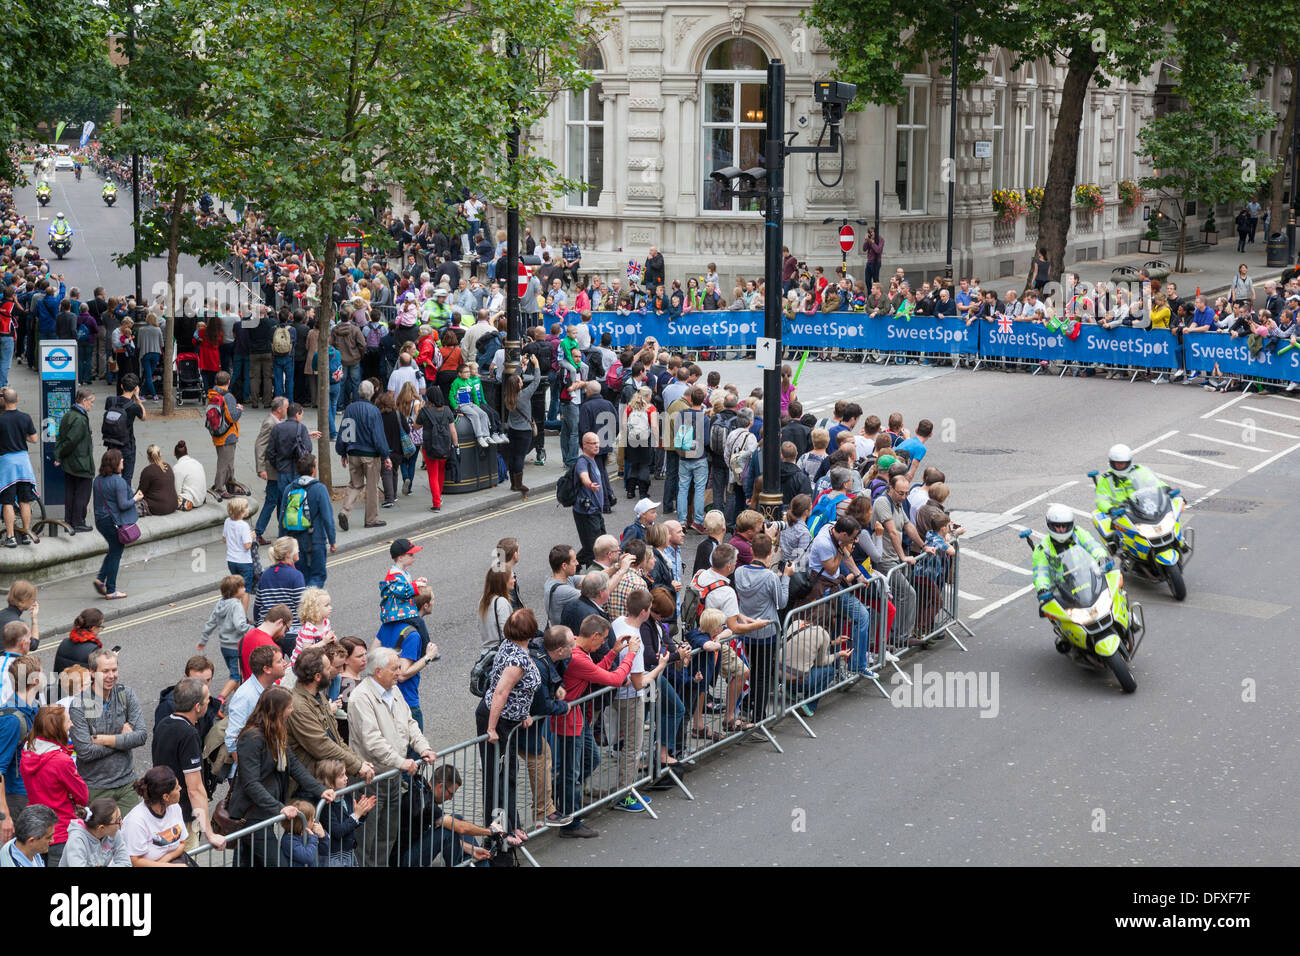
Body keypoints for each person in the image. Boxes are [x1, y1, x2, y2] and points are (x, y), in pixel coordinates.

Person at [347, 646, 435, 867]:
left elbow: (409, 723)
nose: (399, 672)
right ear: (378, 671)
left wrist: (423, 747)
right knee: (366, 838)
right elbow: (372, 741)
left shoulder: (394, 691)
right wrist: (402, 762)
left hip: (393, 777)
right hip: (371, 780)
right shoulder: (361, 698)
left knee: (388, 835)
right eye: (394, 668)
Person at [226, 686, 334, 867]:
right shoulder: (252, 738)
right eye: (289, 707)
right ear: (278, 710)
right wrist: (279, 808)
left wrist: (321, 790)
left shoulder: (276, 733)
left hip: (264, 812)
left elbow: (294, 766)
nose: (292, 711)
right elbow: (251, 783)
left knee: (247, 862)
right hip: (252, 815)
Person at [474, 609, 538, 857]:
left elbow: (519, 691)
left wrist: (524, 714)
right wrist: (491, 728)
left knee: (509, 774)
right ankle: (497, 830)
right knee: (496, 778)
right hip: (497, 721)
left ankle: (512, 824)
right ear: (530, 631)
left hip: (509, 721)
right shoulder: (516, 658)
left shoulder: (516, 648)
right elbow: (500, 693)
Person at [68, 648, 146, 812]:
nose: (111, 676)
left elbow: (140, 736)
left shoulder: (127, 694)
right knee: (101, 837)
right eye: (105, 671)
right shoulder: (79, 705)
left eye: (114, 670)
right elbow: (85, 752)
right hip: (96, 789)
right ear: (92, 673)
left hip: (127, 785)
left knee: (131, 837)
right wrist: (122, 739)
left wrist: (104, 739)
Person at [152, 676, 225, 852]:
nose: (210, 701)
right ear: (197, 707)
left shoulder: (163, 724)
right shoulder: (188, 734)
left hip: (162, 812)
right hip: (183, 817)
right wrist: (210, 833)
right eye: (207, 699)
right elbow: (195, 788)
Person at [1032, 505, 1116, 654]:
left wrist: (1102, 558)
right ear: (1050, 526)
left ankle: (1125, 616)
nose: (1061, 530)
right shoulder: (1042, 549)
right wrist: (1043, 588)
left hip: (1088, 577)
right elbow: (1041, 573)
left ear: (1071, 525)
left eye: (1064, 526)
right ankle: (1067, 635)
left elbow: (1093, 546)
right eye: (1056, 527)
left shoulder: (1079, 534)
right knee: (1053, 611)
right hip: (1063, 589)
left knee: (1113, 591)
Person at [286, 646, 374, 784]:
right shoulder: (299, 707)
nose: (334, 672)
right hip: (311, 783)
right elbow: (322, 745)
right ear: (317, 677)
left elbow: (336, 739)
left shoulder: (319, 696)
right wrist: (357, 766)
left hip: (327, 777)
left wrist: (360, 762)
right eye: (328, 669)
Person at [733, 533, 794, 723]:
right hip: (767, 631)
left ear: (751, 551)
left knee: (753, 669)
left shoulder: (739, 572)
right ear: (770, 553)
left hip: (746, 630)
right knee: (763, 675)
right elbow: (782, 602)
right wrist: (786, 578)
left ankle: (747, 705)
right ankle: (759, 716)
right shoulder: (770, 577)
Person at [19, 705, 88, 866]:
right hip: (62, 831)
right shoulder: (61, 761)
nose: (71, 724)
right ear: (57, 728)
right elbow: (83, 796)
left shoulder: (27, 751)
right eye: (68, 721)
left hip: (37, 830)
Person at [335, 379, 391, 531]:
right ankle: (371, 519)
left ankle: (344, 512)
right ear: (372, 393)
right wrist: (386, 456)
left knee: (354, 484)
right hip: (370, 455)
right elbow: (378, 436)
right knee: (372, 487)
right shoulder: (374, 411)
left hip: (353, 452)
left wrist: (342, 451)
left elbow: (344, 431)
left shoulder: (350, 409)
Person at [1092, 443, 1167, 550]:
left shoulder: (1139, 470)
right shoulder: (1105, 479)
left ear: (1129, 462)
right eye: (1116, 464)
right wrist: (1110, 508)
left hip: (1141, 508)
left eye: (1123, 464)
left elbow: (1155, 483)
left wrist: (1165, 489)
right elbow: (1101, 500)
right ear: (1111, 463)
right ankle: (1126, 555)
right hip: (1120, 514)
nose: (1119, 466)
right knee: (1119, 542)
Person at [225, 643, 288, 764]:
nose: (285, 663)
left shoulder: (272, 687)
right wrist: (250, 772)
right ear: (267, 669)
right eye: (279, 661)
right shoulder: (245, 697)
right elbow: (232, 740)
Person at [281, 454, 336, 587]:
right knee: (317, 576)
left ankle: (301, 603)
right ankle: (309, 604)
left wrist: (282, 543)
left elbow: (282, 517)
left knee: (301, 577)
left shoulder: (289, 489)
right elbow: (328, 517)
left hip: (295, 543)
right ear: (312, 469)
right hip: (315, 540)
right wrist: (332, 540)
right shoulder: (319, 489)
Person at [119, 766, 189, 867]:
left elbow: (182, 843)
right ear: (166, 797)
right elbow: (134, 860)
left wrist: (165, 859)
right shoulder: (136, 821)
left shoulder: (175, 807)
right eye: (177, 788)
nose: (180, 789)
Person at [0, 386, 39, 548]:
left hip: (7, 464)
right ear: (16, 399)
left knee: (7, 501)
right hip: (23, 463)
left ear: (3, 401)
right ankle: (25, 533)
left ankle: (10, 536)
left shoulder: (0, 419)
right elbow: (34, 439)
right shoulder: (25, 417)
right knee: (25, 500)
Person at [54, 387, 96, 532]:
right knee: (82, 493)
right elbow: (71, 441)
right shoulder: (79, 419)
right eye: (91, 402)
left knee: (71, 492)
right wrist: (61, 454)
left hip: (71, 463)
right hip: (80, 462)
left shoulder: (69, 414)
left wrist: (59, 455)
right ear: (84, 401)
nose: (92, 405)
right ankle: (78, 521)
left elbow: (60, 437)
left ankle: (69, 521)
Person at [503, 357, 542, 497]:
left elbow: (513, 378)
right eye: (521, 381)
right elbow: (536, 381)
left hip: (512, 429)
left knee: (513, 455)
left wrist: (520, 366)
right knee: (520, 457)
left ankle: (513, 484)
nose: (522, 381)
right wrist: (536, 365)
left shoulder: (508, 395)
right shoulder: (524, 395)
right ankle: (519, 484)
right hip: (524, 431)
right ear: (518, 386)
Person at [253, 397, 288, 543]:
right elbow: (259, 445)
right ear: (279, 409)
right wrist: (261, 468)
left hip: (278, 469)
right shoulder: (270, 423)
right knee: (272, 501)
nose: (287, 410)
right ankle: (258, 532)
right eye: (286, 407)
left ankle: (283, 531)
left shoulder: (277, 421)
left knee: (280, 500)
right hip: (272, 470)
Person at [417, 384, 457, 512]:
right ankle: (438, 497)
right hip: (445, 446)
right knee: (440, 473)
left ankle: (436, 503)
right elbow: (453, 431)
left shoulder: (425, 411)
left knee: (432, 475)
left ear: (429, 399)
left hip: (429, 447)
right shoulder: (447, 410)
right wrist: (456, 446)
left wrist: (420, 410)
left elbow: (416, 427)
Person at [58, 797, 130, 867]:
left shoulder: (114, 832)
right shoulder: (77, 839)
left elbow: (126, 863)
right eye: (117, 820)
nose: (121, 823)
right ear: (101, 828)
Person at [206, 371, 243, 498]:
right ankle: (220, 488)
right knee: (224, 463)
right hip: (228, 434)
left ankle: (231, 484)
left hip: (217, 432)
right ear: (228, 382)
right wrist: (239, 410)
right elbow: (232, 417)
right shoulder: (228, 396)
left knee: (228, 461)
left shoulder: (213, 393)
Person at [254, 538, 306, 630]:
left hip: (266, 628)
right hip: (290, 628)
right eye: (297, 549)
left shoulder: (265, 574)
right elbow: (302, 607)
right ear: (288, 554)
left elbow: (258, 605)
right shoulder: (296, 575)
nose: (299, 551)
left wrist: (257, 625)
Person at [223, 497, 256, 592]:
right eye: (246, 507)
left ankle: (235, 606)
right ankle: (243, 608)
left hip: (231, 560)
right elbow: (247, 546)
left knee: (236, 588)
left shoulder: (227, 521)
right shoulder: (244, 525)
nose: (248, 509)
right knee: (245, 589)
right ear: (241, 511)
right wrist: (252, 537)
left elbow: (224, 539)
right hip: (244, 562)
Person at [172, 441, 207, 511]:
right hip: (202, 499)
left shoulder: (177, 468)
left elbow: (176, 491)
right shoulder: (198, 463)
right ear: (187, 453)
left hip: (190, 501)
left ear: (174, 454)